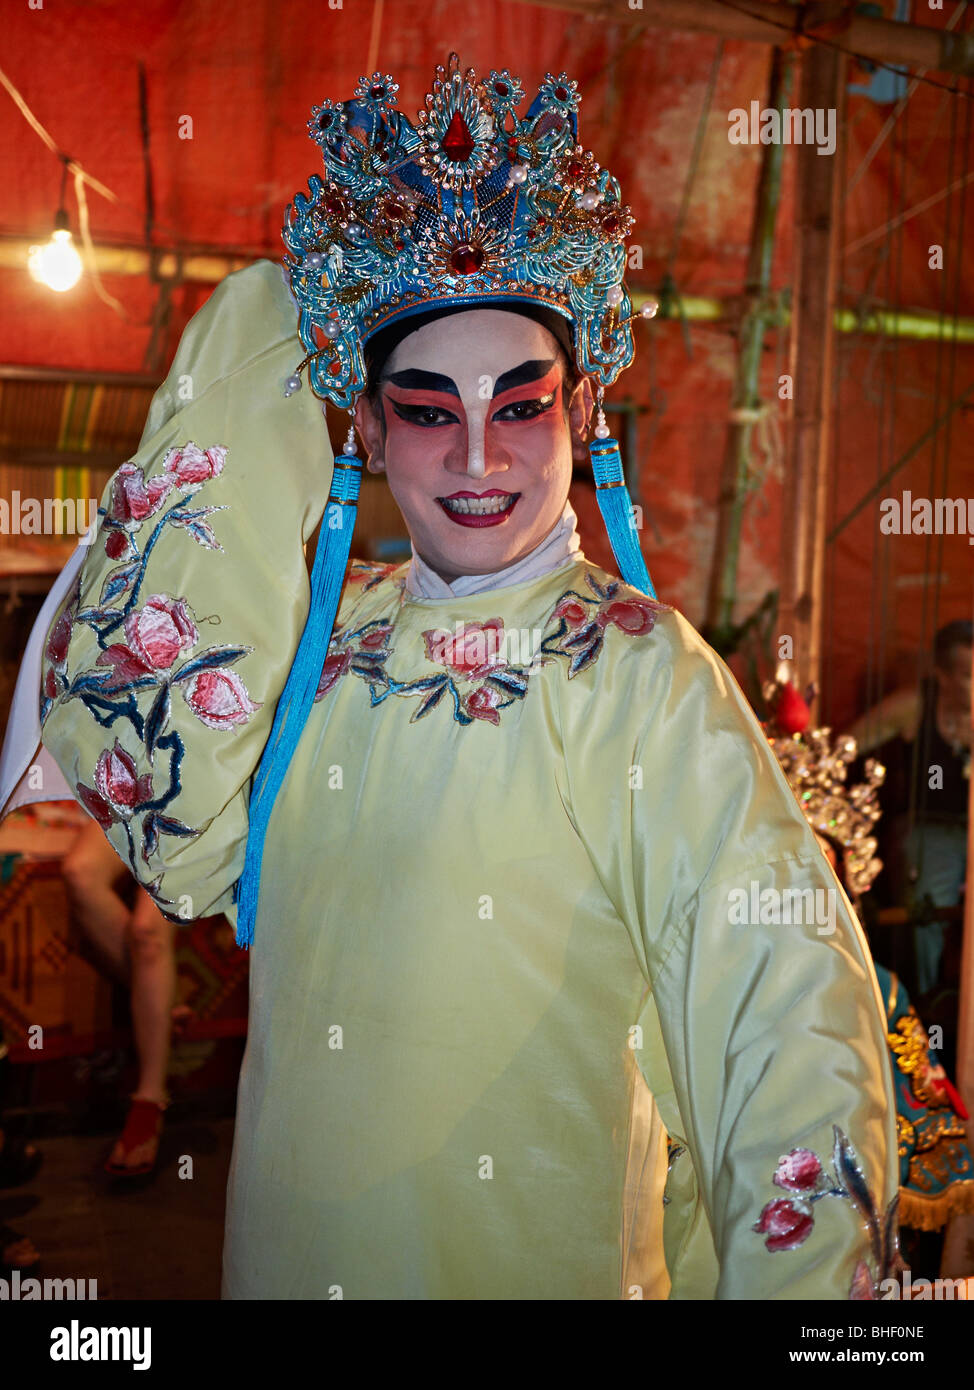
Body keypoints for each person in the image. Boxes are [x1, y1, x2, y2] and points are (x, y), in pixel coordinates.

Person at [3, 55, 897, 1299]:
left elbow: (782, 1022)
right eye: (424, 410)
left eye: (519, 405)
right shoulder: (313, 659)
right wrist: (267, 322)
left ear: (583, 414)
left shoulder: (641, 682)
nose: (477, 454)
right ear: (362, 429)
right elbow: (184, 844)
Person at [848, 620, 971, 997]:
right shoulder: (916, 705)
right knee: (925, 908)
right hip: (932, 828)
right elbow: (846, 746)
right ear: (943, 675)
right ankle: (924, 1003)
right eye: (968, 675)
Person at [61, 818, 177, 1176]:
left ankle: (150, 1097)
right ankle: (161, 1006)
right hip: (141, 784)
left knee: (147, 930)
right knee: (79, 871)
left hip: (207, 798)